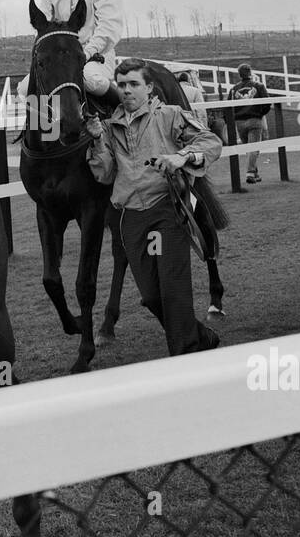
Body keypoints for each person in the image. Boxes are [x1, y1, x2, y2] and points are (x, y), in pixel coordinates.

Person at [86, 59, 222, 357]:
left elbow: (211, 142)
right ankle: (202, 338)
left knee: (173, 291)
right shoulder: (109, 129)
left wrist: (182, 157)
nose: (126, 90)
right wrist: (96, 139)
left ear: (148, 87)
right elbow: (104, 174)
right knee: (150, 296)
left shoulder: (170, 115)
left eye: (133, 84)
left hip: (166, 212)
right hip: (131, 218)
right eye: (121, 85)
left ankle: (183, 356)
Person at [227, 65, 271, 183]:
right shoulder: (259, 86)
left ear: (239, 74)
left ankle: (255, 174)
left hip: (239, 122)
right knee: (254, 148)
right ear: (250, 73)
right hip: (254, 120)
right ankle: (250, 173)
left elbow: (228, 107)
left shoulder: (233, 89)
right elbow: (267, 103)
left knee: (249, 149)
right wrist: (260, 114)